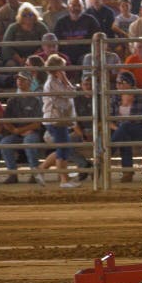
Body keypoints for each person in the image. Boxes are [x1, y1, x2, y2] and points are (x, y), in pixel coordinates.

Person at [0, 71, 45, 184]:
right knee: (4, 144)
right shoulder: (12, 100)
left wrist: (18, 130)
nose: (19, 82)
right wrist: (14, 130)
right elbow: (6, 120)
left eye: (23, 79)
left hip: (32, 132)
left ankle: (34, 173)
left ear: (29, 82)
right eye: (18, 79)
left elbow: (38, 123)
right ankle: (12, 173)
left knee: (29, 142)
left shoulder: (36, 99)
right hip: (17, 131)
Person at [41, 53, 79, 188]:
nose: (64, 70)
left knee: (63, 147)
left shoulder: (55, 81)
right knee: (63, 148)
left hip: (59, 118)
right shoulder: (53, 82)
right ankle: (63, 179)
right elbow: (71, 93)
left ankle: (44, 171)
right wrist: (65, 79)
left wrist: (64, 80)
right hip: (55, 119)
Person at [53, 0, 101, 65]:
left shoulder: (91, 20)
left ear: (83, 7)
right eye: (73, 5)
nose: (76, 8)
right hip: (65, 54)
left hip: (86, 54)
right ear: (68, 7)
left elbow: (97, 38)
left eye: (79, 5)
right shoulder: (61, 22)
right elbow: (55, 40)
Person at [1, 2, 47, 67]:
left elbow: (46, 42)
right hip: (16, 57)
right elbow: (6, 46)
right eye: (24, 15)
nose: (28, 17)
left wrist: (33, 57)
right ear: (20, 16)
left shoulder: (41, 26)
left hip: (38, 56)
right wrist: (19, 59)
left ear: (35, 15)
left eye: (30, 14)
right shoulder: (13, 27)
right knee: (11, 64)